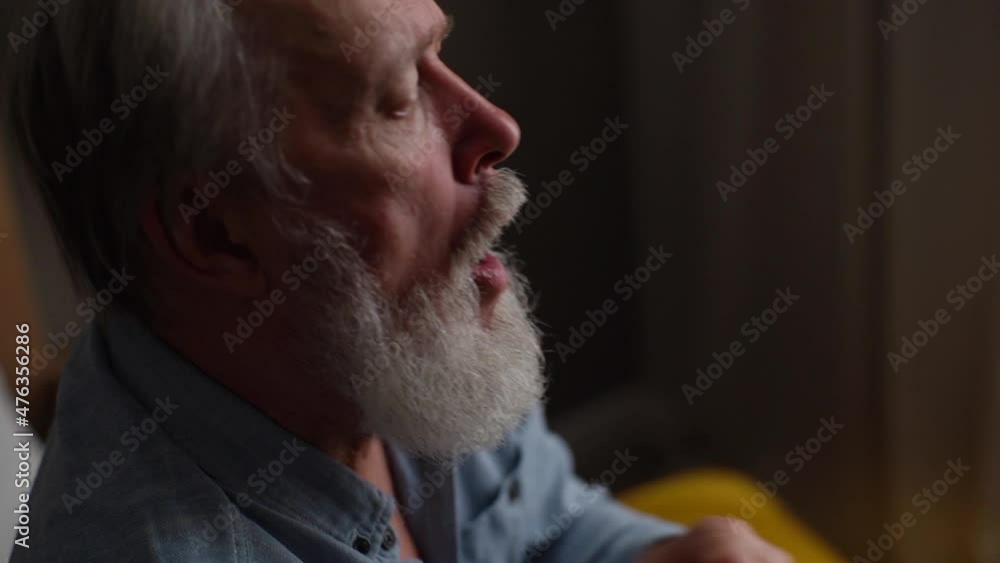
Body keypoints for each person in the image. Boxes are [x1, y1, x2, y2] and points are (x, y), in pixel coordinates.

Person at [3, 0, 792, 561]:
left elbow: (549, 527)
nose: (497, 127)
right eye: (401, 97)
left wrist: (664, 556)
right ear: (216, 232)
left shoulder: (399, 333)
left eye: (438, 52)